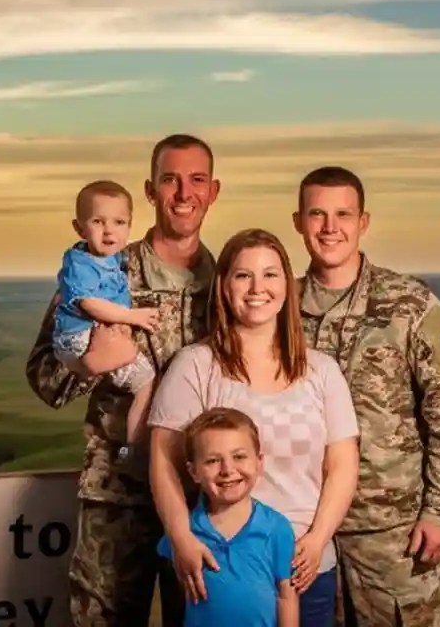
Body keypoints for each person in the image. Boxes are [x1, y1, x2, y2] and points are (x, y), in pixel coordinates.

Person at [26, 134, 221, 627]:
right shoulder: (103, 268)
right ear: (150, 191)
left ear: (213, 191)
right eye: (170, 180)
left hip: (204, 499)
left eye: (196, 180)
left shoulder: (230, 283)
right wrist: (91, 363)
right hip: (119, 494)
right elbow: (46, 378)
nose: (183, 193)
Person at [291, 166, 440, 627]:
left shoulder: (409, 304)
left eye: (343, 214)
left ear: (364, 222)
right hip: (303, 527)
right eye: (317, 214)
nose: (330, 227)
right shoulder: (280, 308)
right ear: (298, 222)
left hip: (392, 534)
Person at [149, 228, 361, 627]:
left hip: (303, 564)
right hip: (216, 564)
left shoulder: (322, 371)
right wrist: (181, 538)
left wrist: (317, 540)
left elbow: (343, 466)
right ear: (224, 286)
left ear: (287, 285)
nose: (257, 287)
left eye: (270, 274)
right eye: (243, 275)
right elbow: (163, 461)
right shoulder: (195, 365)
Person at [52, 179, 161, 467]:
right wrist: (88, 366)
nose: (109, 230)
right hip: (80, 339)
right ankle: (133, 448)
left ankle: (136, 447)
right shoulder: (80, 264)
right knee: (146, 382)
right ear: (79, 228)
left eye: (119, 222)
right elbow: (88, 303)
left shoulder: (115, 260)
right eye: (98, 221)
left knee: (145, 382)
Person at [157, 407, 299, 627]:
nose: (227, 469)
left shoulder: (276, 528)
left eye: (239, 456)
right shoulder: (185, 534)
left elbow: (286, 596)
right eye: (213, 460)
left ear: (259, 462)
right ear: (193, 471)